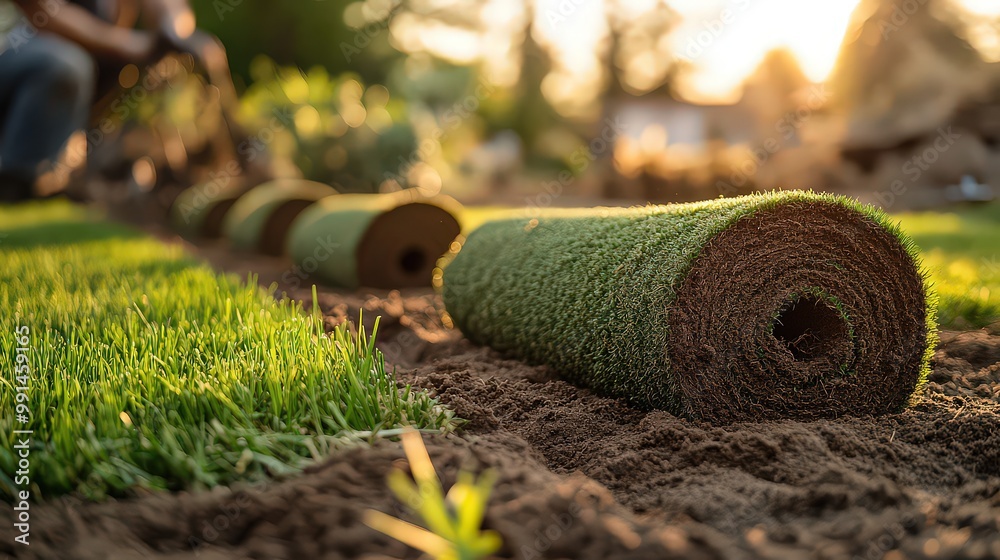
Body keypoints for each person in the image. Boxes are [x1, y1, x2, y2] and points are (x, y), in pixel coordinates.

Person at [0, 0, 228, 202]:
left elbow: (168, 5)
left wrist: (175, 33)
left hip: (82, 78)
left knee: (129, 70)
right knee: (66, 66)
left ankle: (75, 168)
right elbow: (43, 12)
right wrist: (129, 44)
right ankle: (22, 178)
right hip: (14, 56)